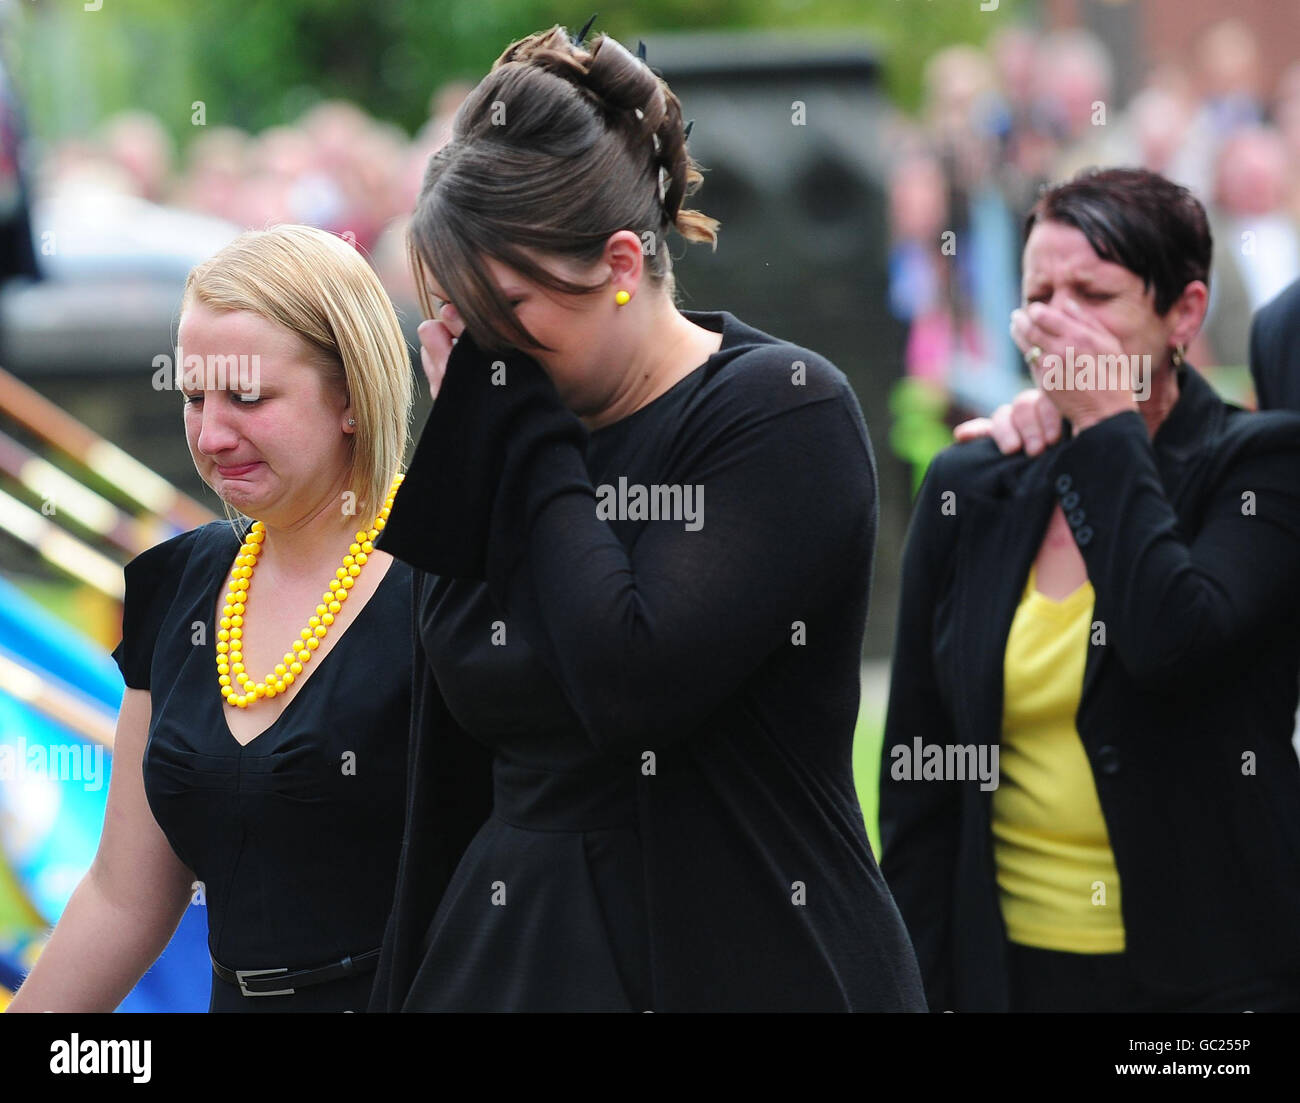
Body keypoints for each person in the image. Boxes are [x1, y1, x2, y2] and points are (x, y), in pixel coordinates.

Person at [367, 24, 926, 1012]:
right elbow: (446, 743)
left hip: (751, 947)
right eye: (463, 317)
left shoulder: (781, 408)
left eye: (509, 310)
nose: (489, 354)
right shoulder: (514, 414)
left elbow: (629, 679)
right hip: (512, 954)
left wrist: (524, 436)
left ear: (621, 261)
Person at [881, 167, 1300, 1012]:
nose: (1061, 322)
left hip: (1210, 984)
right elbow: (917, 780)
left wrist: (1106, 423)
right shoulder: (976, 481)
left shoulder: (1258, 464)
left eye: (1095, 293)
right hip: (1011, 970)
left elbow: (1172, 641)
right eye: (1040, 294)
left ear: (1183, 312)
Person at [8, 225, 415, 1012]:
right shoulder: (179, 582)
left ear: (352, 398)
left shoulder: (453, 586)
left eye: (249, 396)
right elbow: (124, 899)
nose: (212, 433)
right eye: (195, 396)